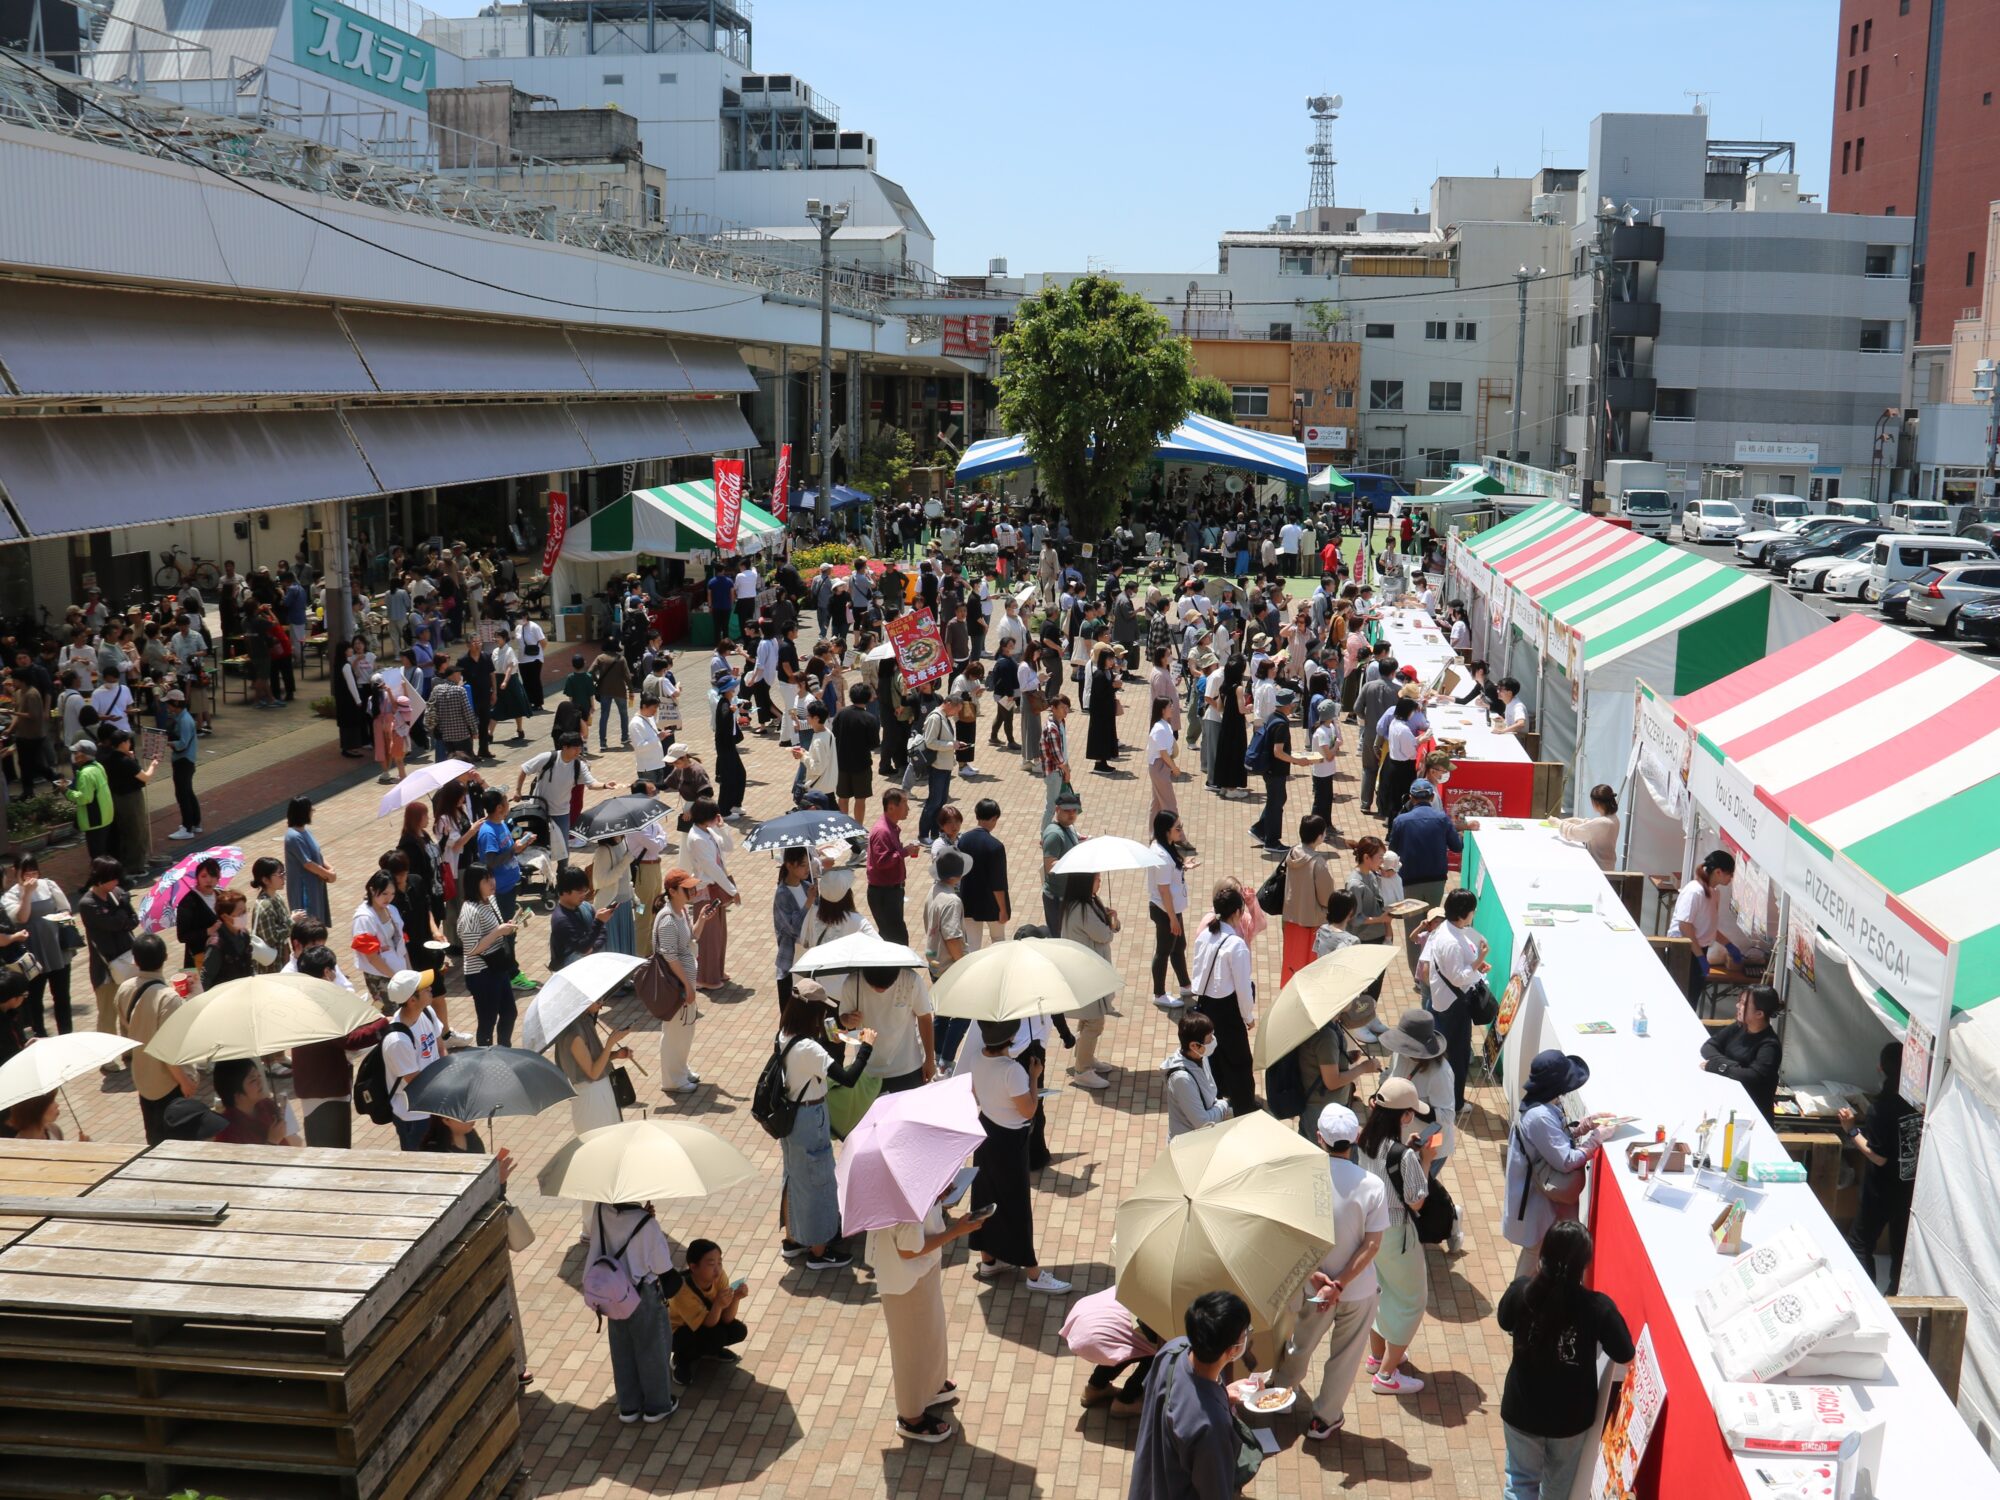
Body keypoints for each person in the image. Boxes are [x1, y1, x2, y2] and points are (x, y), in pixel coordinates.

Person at [1274, 1102, 1389, 1443]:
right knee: (1346, 1357)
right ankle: (1323, 1420)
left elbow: (1292, 1233)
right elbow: (1371, 1246)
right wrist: (1339, 1284)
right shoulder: (1372, 1185)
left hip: (1313, 1284)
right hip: (1357, 1290)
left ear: (1319, 1137)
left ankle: (1280, 1395)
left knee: (1300, 1343)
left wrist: (1316, 1277)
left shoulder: (1301, 1176)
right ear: (1355, 1138)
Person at [1496, 1221, 1634, 1500]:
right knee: (1557, 1492)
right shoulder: (1598, 1308)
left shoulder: (1522, 1292)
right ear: (1584, 1264)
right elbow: (1624, 1352)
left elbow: (1503, 1320)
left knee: (1519, 1484)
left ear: (1543, 1255)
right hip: (1570, 1421)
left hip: (1522, 1410)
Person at [870, 1185, 989, 1444]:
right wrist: (956, 1230)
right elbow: (908, 1249)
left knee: (930, 1332)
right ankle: (911, 1417)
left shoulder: (912, 1186)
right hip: (905, 1281)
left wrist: (936, 1197)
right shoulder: (906, 1198)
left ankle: (932, 1386)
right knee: (911, 1348)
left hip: (920, 1272)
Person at [775, 981, 874, 1270]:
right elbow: (847, 1077)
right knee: (819, 1181)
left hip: (791, 1117)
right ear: (814, 1015)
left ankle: (793, 1240)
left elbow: (822, 1035)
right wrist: (866, 1046)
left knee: (794, 1177)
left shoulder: (785, 1034)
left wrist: (840, 1024)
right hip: (810, 1118)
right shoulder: (809, 1049)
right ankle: (820, 1252)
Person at [966, 1018, 1070, 1293]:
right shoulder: (1013, 1070)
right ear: (1011, 1038)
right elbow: (1028, 1110)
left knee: (985, 1195)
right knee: (1016, 1206)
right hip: (1010, 1141)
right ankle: (1034, 1274)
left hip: (986, 1131)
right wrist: (1034, 1078)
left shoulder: (977, 1059)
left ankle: (988, 1260)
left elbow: (976, 1094)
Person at [1125, 1290, 1257, 1500]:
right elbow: (1215, 1491)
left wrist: (1221, 1393)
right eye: (1246, 1333)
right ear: (1232, 1350)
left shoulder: (1173, 1349)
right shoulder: (1211, 1425)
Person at [1354, 1077, 1434, 1396]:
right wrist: (1425, 1160)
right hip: (1396, 1233)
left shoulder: (1362, 1139)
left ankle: (1377, 1358)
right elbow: (1417, 1200)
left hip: (1368, 1230)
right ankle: (1386, 1375)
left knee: (1384, 1292)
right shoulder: (1404, 1156)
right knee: (1412, 1301)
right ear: (1403, 1116)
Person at [1502, 1050, 1602, 1278]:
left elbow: (1555, 1141)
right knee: (1533, 1252)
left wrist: (1583, 1128)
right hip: (1534, 1201)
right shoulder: (1540, 1116)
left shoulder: (1540, 1106)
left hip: (1538, 1198)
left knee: (1537, 1250)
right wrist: (1597, 1140)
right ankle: (1517, 1304)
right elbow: (1566, 1160)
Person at [587, 1201, 684, 1424]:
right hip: (643, 1293)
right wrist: (648, 1219)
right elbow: (663, 1268)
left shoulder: (600, 1209)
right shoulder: (647, 1224)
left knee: (622, 1349)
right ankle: (657, 1405)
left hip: (612, 1291)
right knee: (652, 1348)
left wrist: (644, 1217)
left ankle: (629, 1407)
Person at [1842, 1040, 1917, 1291]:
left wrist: (1852, 1130)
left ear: (1880, 1068)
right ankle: (1894, 1298)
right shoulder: (1918, 1104)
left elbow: (1878, 1156)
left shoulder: (1880, 1108)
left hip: (1880, 1190)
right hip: (1909, 1187)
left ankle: (1867, 1295)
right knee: (1900, 1250)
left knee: (1860, 1244)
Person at [1414, 888, 1488, 1114]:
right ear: (1464, 914)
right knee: (1458, 1056)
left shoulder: (1443, 930)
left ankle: (1436, 1095)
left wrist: (1474, 965)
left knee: (1441, 1051)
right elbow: (1458, 977)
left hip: (1440, 999)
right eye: (1472, 911)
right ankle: (1454, 1102)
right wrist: (1479, 961)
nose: (1473, 915)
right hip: (1454, 1005)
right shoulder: (1453, 941)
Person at [119, 933, 195, 1144]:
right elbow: (167, 1049)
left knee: (153, 1139)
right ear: (166, 957)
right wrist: (185, 1081)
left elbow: (127, 1026)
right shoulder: (168, 998)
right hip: (169, 1082)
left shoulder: (125, 989)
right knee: (176, 1143)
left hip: (142, 1076)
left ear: (135, 959)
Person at [1189, 884, 1257, 1118]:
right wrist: (1248, 1017)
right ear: (1237, 912)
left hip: (1205, 1006)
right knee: (1239, 1064)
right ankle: (1244, 1109)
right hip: (1227, 1011)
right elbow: (1243, 988)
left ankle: (1216, 1107)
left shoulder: (1206, 934)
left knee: (1213, 1061)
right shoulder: (1235, 944)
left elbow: (1196, 974)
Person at [651, 868, 710, 1094]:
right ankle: (672, 1080)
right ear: (673, 891)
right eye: (687, 888)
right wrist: (686, 985)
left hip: (685, 983)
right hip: (674, 987)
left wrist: (701, 920)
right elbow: (669, 955)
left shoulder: (681, 912)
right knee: (675, 1032)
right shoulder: (667, 919)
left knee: (686, 1030)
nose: (692, 891)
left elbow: (691, 938)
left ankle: (681, 1070)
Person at [666, 1237, 750, 1386]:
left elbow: (727, 1319)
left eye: (720, 1262)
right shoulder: (681, 1291)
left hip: (706, 1320)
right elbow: (709, 1323)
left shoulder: (719, 1276)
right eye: (711, 1264)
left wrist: (735, 1298)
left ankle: (710, 1350)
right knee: (716, 1336)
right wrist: (718, 1304)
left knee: (738, 1330)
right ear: (693, 1267)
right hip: (677, 1333)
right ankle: (681, 1360)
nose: (717, 1269)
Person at [380, 968, 446, 1151]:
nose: (430, 988)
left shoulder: (427, 1012)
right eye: (425, 988)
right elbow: (415, 1082)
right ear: (412, 1000)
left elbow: (440, 1047)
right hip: (414, 1117)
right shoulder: (397, 1041)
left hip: (434, 1105)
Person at [456, 863, 521, 1046]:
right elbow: (470, 948)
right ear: (474, 884)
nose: (492, 882)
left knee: (509, 1012)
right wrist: (498, 932)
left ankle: (503, 1050)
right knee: (487, 1021)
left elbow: (494, 930)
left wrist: (505, 928)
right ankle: (485, 1057)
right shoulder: (470, 911)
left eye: (491, 877)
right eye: (486, 880)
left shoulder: (490, 900)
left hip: (497, 966)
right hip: (481, 973)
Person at [1700, 984, 1785, 1121]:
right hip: (1728, 1102)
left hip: (1751, 1116)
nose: (1737, 1006)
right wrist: (1733, 1066)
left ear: (1759, 1014)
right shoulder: (1739, 1027)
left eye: (1744, 1004)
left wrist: (1718, 1066)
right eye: (1740, 1001)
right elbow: (1708, 1046)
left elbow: (1752, 1077)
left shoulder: (1769, 1046)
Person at [682, 799, 737, 989]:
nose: (717, 818)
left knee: (719, 935)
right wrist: (732, 890)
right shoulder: (696, 838)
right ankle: (705, 977)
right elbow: (712, 869)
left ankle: (716, 971)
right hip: (706, 890)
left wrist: (723, 827)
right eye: (715, 816)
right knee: (708, 936)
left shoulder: (708, 830)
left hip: (715, 888)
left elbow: (728, 847)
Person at [1279, 813, 1339, 987]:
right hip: (1312, 923)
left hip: (1291, 919)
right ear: (1319, 836)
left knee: (1291, 966)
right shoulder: (1318, 863)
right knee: (1310, 972)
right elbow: (1326, 898)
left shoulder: (1293, 853)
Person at [557, 993, 629, 1135]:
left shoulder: (585, 1019)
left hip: (600, 1090)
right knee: (599, 1141)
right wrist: (610, 1044)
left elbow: (594, 1059)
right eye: (597, 1000)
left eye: (603, 998)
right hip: (591, 1097)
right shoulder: (574, 1033)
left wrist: (615, 1054)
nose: (602, 1003)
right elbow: (593, 1073)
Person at [1387, 779, 1462, 916]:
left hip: (1409, 880)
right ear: (1432, 797)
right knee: (1432, 921)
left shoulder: (1400, 821)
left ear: (1411, 797)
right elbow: (1457, 846)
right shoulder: (1442, 819)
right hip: (1436, 879)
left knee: (1412, 924)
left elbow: (1393, 852)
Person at [1673, 848, 1741, 997]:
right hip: (1682, 952)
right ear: (1718, 872)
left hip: (1698, 951)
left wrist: (1729, 945)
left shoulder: (1715, 892)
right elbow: (1684, 926)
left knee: (1693, 996)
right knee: (1684, 996)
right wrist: (1699, 957)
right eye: (1729, 874)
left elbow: (1708, 927)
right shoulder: (1694, 891)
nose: (1731, 879)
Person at [1146, 811, 1192, 1012]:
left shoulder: (1166, 848)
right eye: (1177, 828)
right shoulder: (1162, 856)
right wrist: (1173, 918)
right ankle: (1160, 994)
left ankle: (1185, 985)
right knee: (1164, 950)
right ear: (1166, 832)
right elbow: (1163, 890)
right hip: (1165, 911)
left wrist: (1184, 867)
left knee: (1179, 945)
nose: (1181, 831)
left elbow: (1171, 875)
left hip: (1171, 910)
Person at [1162, 1011, 1229, 1139]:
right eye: (1209, 1038)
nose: (1213, 1041)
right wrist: (1223, 1106)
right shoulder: (1182, 1079)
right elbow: (1203, 1122)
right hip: (1188, 1144)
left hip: (1203, 1138)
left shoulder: (1201, 1056)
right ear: (1194, 1046)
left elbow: (1209, 1093)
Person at [865, 789, 920, 946]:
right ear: (891, 807)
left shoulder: (891, 828)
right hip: (884, 894)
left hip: (891, 892)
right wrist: (905, 852)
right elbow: (881, 862)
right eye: (904, 804)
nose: (908, 809)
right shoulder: (883, 832)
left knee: (893, 936)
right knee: (896, 940)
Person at [956, 799, 1011, 949]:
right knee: (999, 941)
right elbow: (998, 882)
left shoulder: (963, 840)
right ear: (994, 818)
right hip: (991, 903)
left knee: (972, 945)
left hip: (969, 900)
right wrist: (1003, 909)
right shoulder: (996, 846)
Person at [213, 1058, 300, 1146]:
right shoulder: (227, 1130)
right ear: (236, 1094)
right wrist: (272, 1142)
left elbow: (294, 1143)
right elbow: (242, 1159)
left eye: (259, 1076)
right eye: (253, 1080)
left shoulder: (267, 1104)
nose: (260, 1082)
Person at [830, 683, 880, 822]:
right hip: (861, 765)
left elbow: (834, 734)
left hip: (842, 764)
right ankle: (858, 827)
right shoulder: (870, 719)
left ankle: (843, 827)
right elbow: (874, 744)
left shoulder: (841, 714)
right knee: (860, 799)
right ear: (868, 698)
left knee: (843, 797)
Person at [284, 796, 335, 926]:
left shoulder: (305, 832)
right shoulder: (293, 836)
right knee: (308, 924)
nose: (313, 810)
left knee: (317, 922)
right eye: (310, 808)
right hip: (305, 888)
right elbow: (307, 863)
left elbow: (317, 854)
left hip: (315, 884)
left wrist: (330, 869)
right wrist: (327, 874)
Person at [59, 739, 114, 859]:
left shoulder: (86, 774)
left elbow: (84, 798)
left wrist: (66, 791)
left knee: (97, 857)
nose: (73, 756)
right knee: (104, 853)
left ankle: (102, 876)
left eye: (75, 753)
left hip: (94, 820)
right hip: (105, 816)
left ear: (82, 756)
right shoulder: (98, 766)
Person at [201, 889, 257, 990]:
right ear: (225, 916)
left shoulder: (244, 935)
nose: (244, 916)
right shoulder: (216, 945)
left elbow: (249, 965)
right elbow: (206, 979)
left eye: (245, 911)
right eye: (240, 914)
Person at [1557, 784, 1621, 872]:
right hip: (1607, 866)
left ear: (1596, 803)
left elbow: (1574, 832)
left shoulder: (1603, 822)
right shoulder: (1613, 818)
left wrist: (1558, 823)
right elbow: (1591, 825)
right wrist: (1575, 820)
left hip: (1600, 870)